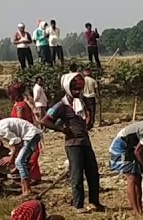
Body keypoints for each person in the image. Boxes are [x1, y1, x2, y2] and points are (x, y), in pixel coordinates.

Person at [41, 75, 102, 213]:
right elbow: (44, 121)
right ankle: (78, 205)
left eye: (78, 89)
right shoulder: (61, 105)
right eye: (74, 89)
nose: (77, 92)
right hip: (73, 144)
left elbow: (87, 117)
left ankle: (95, 202)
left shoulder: (80, 102)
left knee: (93, 173)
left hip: (85, 142)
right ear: (68, 88)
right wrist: (62, 129)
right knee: (77, 175)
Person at [0, 116, 43, 196]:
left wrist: (11, 158)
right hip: (29, 135)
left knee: (19, 162)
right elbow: (13, 143)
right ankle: (24, 188)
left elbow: (16, 141)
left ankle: (27, 190)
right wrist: (12, 155)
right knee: (21, 162)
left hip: (30, 135)